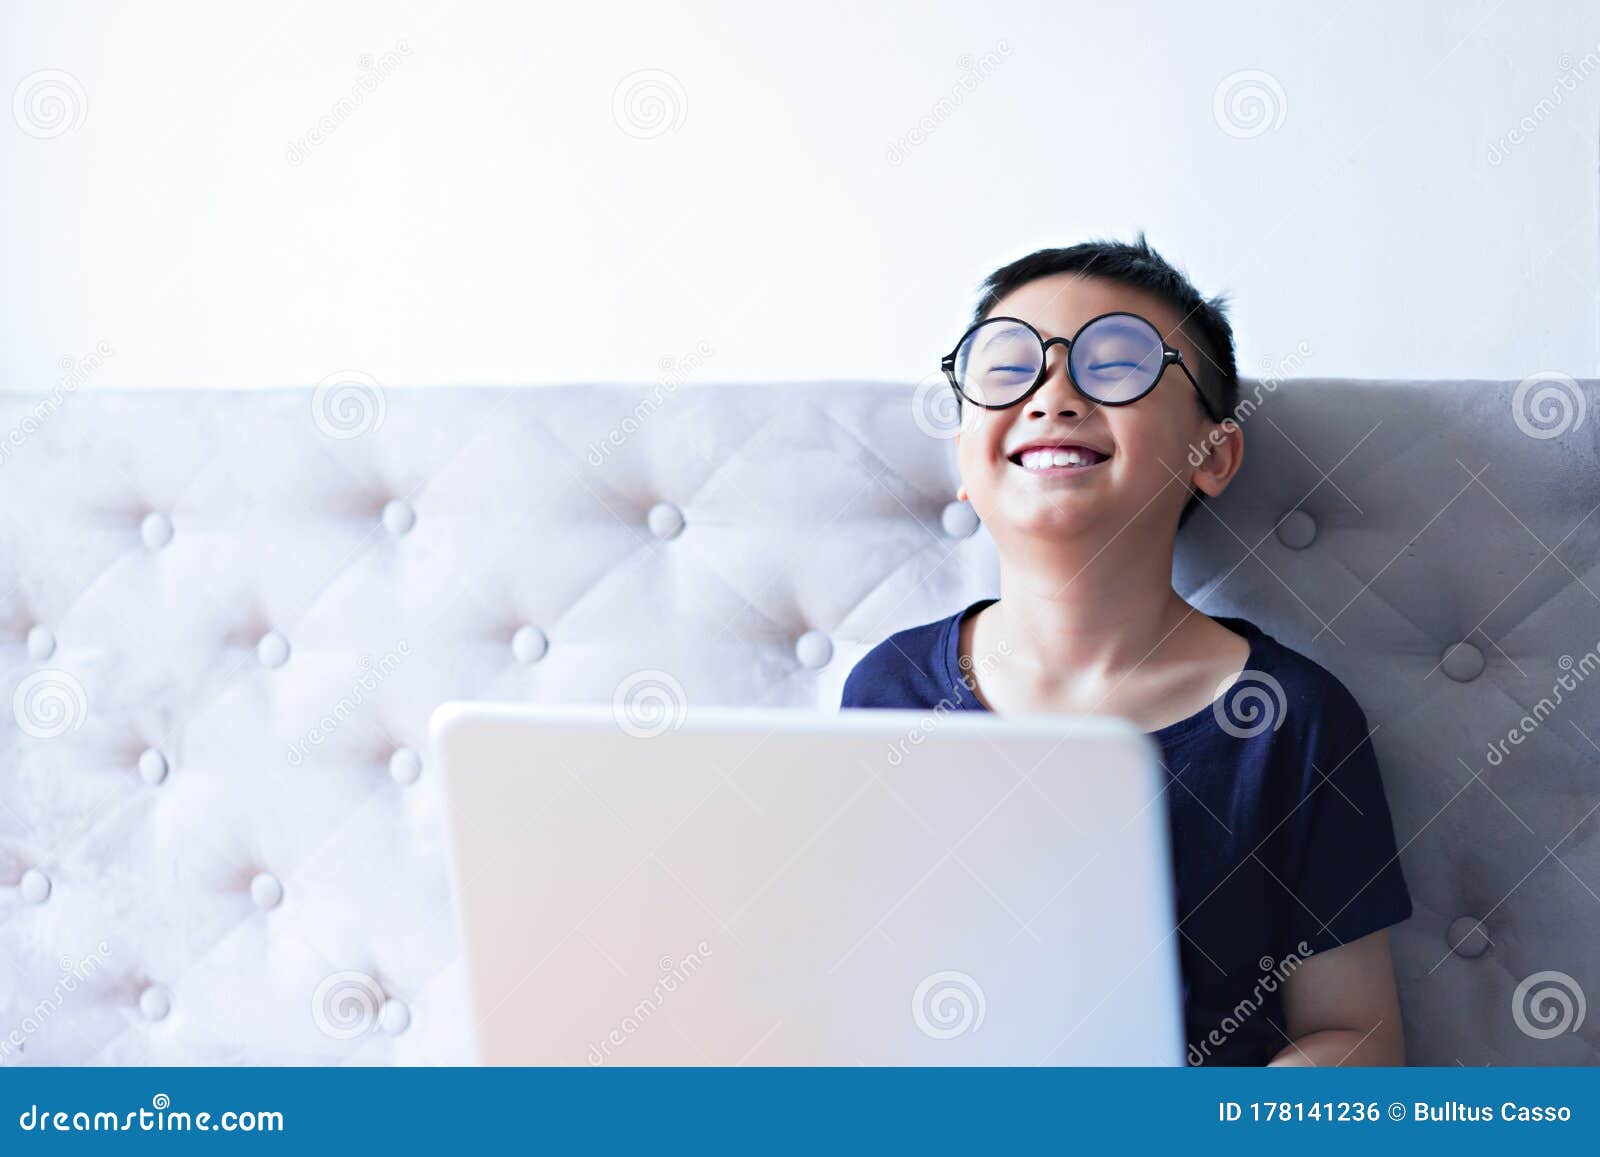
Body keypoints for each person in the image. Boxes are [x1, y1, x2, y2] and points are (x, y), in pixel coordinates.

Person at [841, 234, 1412, 1066]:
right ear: (963, 458)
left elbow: (1355, 1033)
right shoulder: (888, 688)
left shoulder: (1295, 720)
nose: (1054, 393)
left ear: (1211, 455)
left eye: (1117, 365)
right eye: (1007, 367)